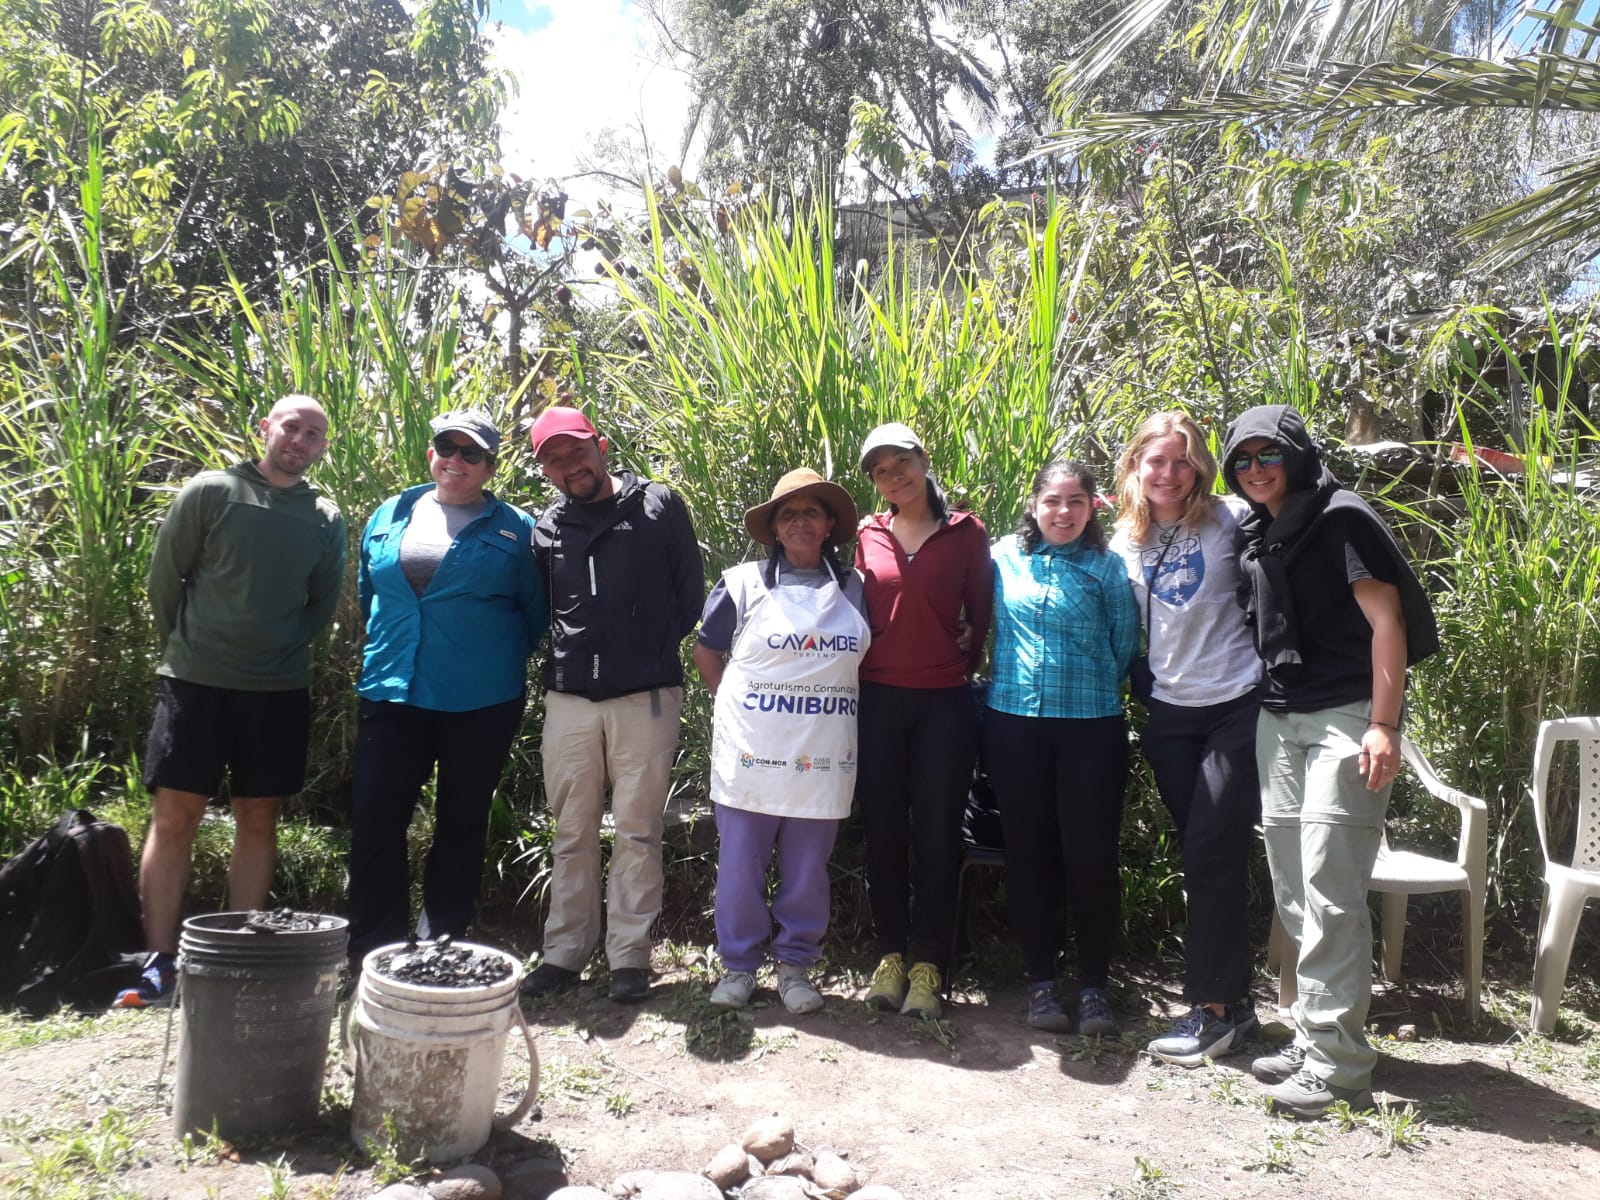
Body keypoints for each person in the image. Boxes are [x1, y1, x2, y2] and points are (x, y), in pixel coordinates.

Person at [1221, 403, 1438, 1118]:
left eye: (1268, 455)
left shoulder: (1341, 517)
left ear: (1297, 454)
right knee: (1293, 885)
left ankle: (1341, 1066)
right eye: (1242, 459)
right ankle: (1317, 1038)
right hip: (1279, 718)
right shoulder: (1260, 530)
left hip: (1346, 715)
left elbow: (1388, 622)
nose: (1255, 470)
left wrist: (1384, 725)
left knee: (1331, 884)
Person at [115, 394, 346, 1009]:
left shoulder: (324, 515)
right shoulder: (211, 491)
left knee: (259, 816)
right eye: (291, 427)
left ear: (324, 446)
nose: (300, 440)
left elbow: (319, 606)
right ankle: (159, 963)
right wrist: (189, 650)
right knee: (175, 819)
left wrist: (278, 653)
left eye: (314, 434)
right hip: (195, 683)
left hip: (275, 691)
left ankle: (236, 956)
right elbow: (166, 579)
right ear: (265, 427)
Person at [345, 411, 548, 974]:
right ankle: (372, 951)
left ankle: (441, 943)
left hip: (481, 699)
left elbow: (535, 613)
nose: (455, 460)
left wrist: (479, 651)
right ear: (431, 452)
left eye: (471, 453)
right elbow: (371, 594)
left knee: (462, 822)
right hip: (392, 690)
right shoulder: (390, 513)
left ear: (490, 466)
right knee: (377, 822)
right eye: (446, 447)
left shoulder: (516, 529)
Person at [519, 406, 705, 1004]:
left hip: (645, 696)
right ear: (544, 469)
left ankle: (629, 956)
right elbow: (537, 611)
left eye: (577, 451)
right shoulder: (546, 528)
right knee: (570, 831)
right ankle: (565, 953)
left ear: (599, 444)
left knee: (638, 828)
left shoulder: (657, 505)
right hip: (570, 698)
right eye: (554, 458)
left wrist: (646, 651)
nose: (570, 465)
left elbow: (689, 592)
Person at [1109, 412, 1263, 1064]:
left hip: (1237, 704)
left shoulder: (1231, 518)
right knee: (1210, 855)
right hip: (1170, 716)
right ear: (1136, 468)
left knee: (1209, 850)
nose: (1168, 474)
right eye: (1156, 461)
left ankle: (1212, 1011)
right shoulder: (1123, 540)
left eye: (1181, 461)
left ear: (1198, 466)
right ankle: (1240, 1001)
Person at [693, 469, 869, 1014]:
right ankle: (739, 967)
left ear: (829, 525)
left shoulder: (856, 586)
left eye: (810, 512)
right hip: (752, 753)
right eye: (787, 514)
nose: (798, 522)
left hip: (823, 754)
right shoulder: (741, 582)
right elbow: (706, 651)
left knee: (807, 870)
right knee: (741, 865)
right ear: (772, 528)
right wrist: (739, 704)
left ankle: (795, 967)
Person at [984, 461, 1139, 1036]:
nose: (1063, 512)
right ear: (1034, 504)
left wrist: (1086, 681)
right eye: (1053, 500)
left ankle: (1095, 985)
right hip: (1014, 724)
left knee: (1091, 857)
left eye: (1076, 501)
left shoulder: (1108, 568)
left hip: (1090, 726)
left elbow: (1125, 648)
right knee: (1030, 855)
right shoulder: (1002, 557)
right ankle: (1042, 982)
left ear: (1092, 507)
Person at [855, 422, 992, 1019]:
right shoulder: (865, 534)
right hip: (876, 700)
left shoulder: (966, 532)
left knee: (938, 834)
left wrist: (964, 642)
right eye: (881, 470)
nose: (894, 476)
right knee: (883, 830)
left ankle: (931, 963)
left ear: (923, 458)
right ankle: (889, 953)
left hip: (944, 702)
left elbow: (980, 618)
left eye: (901, 462)